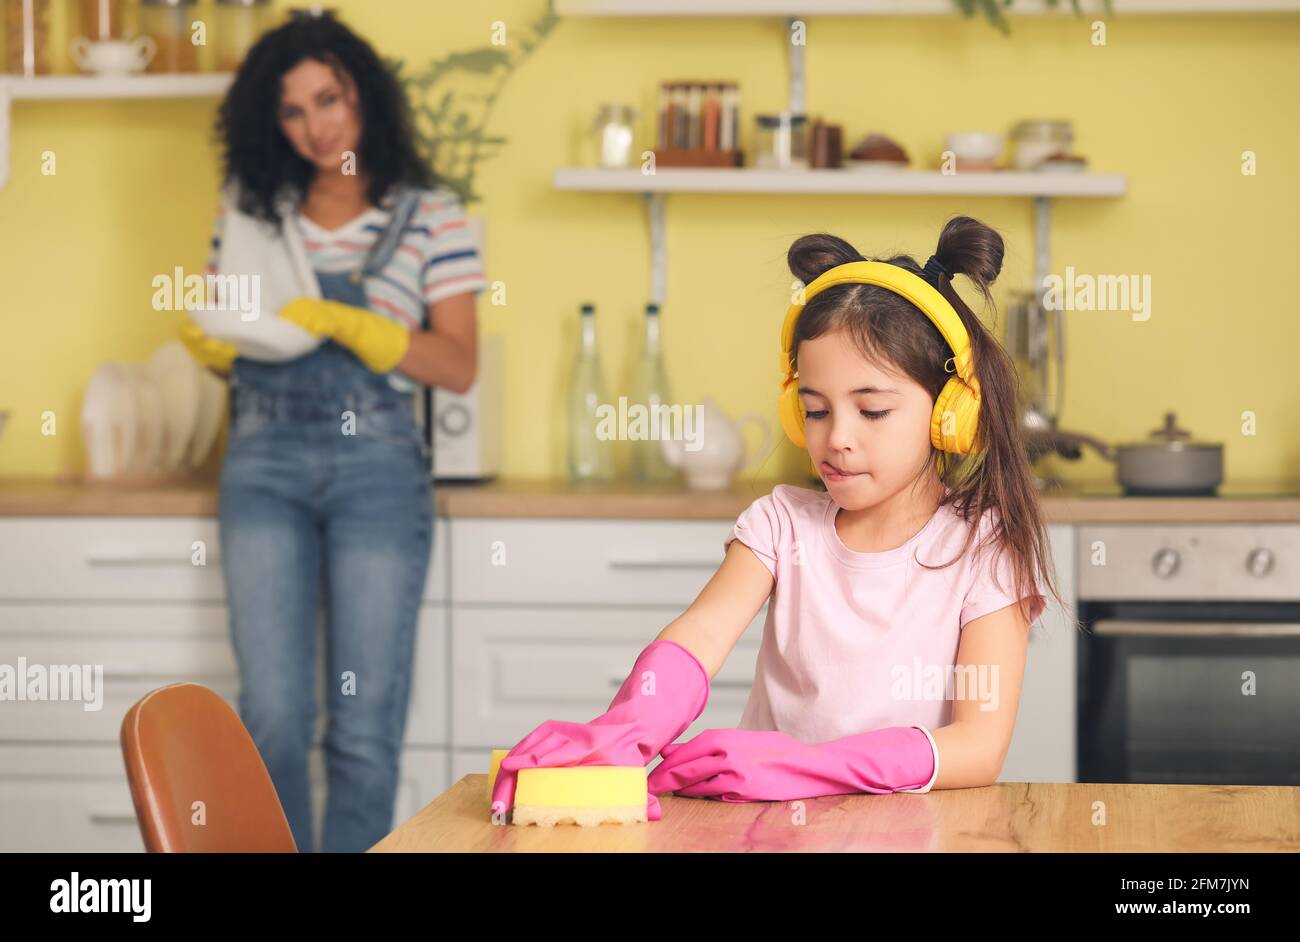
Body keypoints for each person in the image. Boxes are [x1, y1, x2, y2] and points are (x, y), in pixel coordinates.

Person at [492, 215, 1064, 817]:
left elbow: (979, 746)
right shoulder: (781, 524)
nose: (836, 438)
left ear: (952, 413)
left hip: (907, 829)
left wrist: (812, 766)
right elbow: (701, 633)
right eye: (815, 411)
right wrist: (629, 727)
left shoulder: (983, 547)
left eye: (871, 412)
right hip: (764, 826)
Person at [180, 11, 485, 851]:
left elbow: (458, 364)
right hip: (264, 461)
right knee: (273, 715)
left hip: (377, 472)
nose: (317, 126)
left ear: (363, 96)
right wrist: (210, 344)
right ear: (268, 122)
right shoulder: (251, 211)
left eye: (330, 99)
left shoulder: (430, 215)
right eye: (292, 111)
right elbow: (235, 338)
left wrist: (369, 331)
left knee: (362, 724)